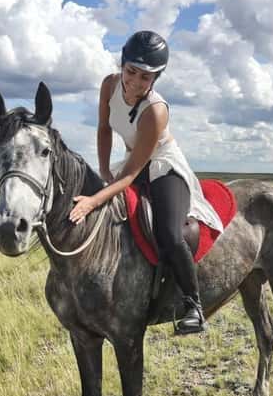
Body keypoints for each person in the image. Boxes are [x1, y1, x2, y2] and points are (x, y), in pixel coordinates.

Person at [68, 31, 223, 334]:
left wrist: (94, 200)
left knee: (168, 232)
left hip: (162, 164)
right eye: (131, 72)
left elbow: (130, 175)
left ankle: (193, 305)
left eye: (146, 77)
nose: (135, 82)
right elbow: (103, 128)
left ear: (156, 78)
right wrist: (102, 170)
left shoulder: (155, 110)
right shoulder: (109, 85)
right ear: (122, 65)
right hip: (130, 159)